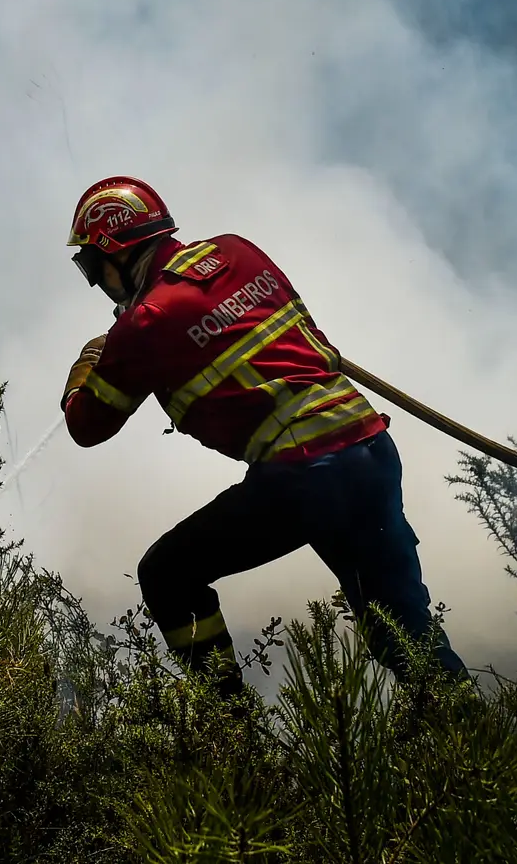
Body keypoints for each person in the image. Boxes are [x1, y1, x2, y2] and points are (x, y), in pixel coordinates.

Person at [61, 176, 465, 694]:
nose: (97, 282)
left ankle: (230, 726)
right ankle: (466, 738)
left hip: (305, 475)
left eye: (93, 266)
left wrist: (89, 362)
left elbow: (85, 427)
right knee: (404, 633)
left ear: (116, 252)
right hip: (369, 451)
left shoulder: (145, 324)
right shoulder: (237, 251)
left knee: (168, 576)